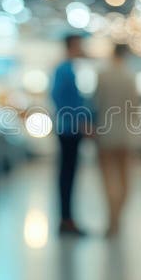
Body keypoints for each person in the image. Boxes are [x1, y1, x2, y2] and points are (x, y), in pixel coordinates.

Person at [92, 44, 139, 237]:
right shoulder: (130, 77)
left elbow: (96, 103)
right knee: (124, 180)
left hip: (105, 132)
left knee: (107, 180)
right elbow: (135, 109)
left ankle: (111, 220)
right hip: (126, 135)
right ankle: (117, 219)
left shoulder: (102, 76)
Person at [50, 34, 91, 236]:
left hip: (68, 129)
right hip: (69, 131)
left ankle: (67, 218)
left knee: (68, 175)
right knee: (68, 175)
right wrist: (80, 121)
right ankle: (66, 219)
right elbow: (63, 100)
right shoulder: (65, 70)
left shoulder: (67, 69)